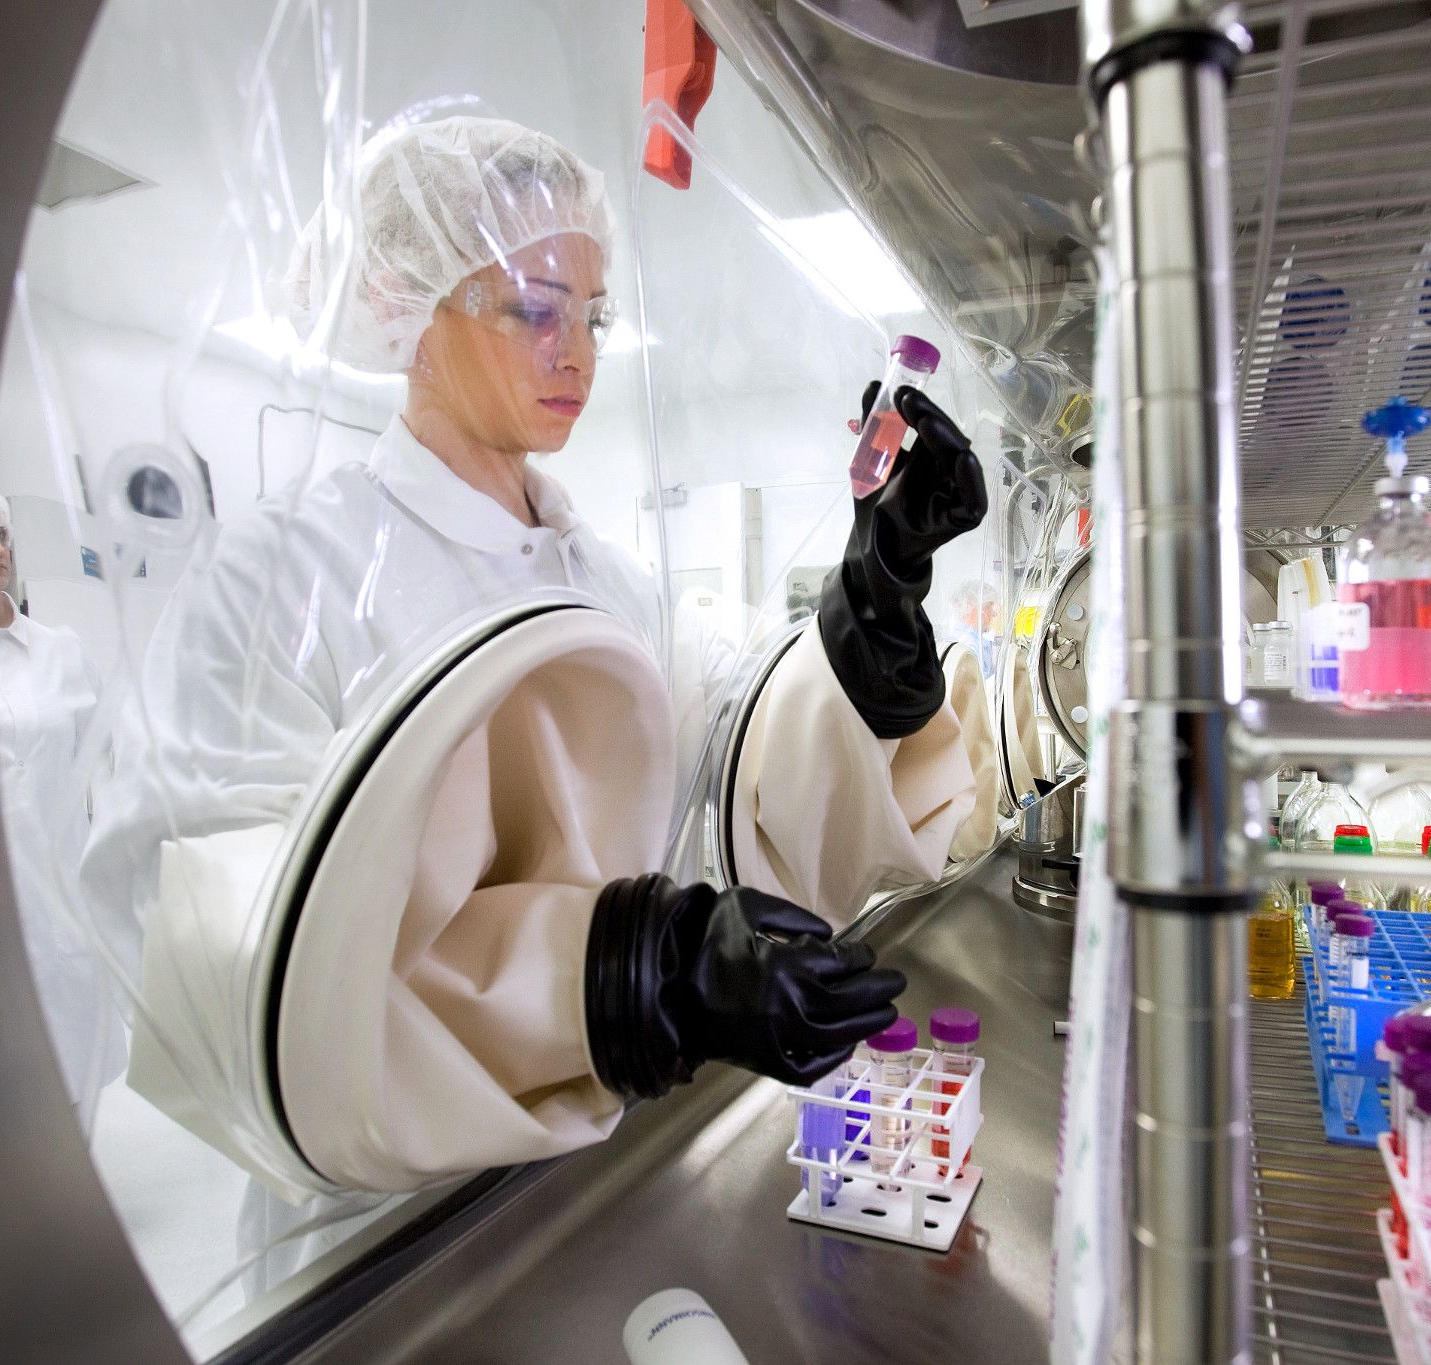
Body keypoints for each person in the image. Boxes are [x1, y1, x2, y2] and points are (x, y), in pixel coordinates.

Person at [79, 117, 995, 1287]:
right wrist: (613, 975)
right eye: (533, 310)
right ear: (407, 306)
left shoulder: (600, 578)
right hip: (374, 1230)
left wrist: (876, 599)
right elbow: (200, 927)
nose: (578, 356)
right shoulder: (287, 573)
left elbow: (739, 770)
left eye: (592, 317)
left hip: (581, 1171)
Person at [0, 488, 125, 1133]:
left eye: (3, 535)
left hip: (62, 907)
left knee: (73, 1091)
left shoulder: (61, 653)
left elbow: (112, 769)